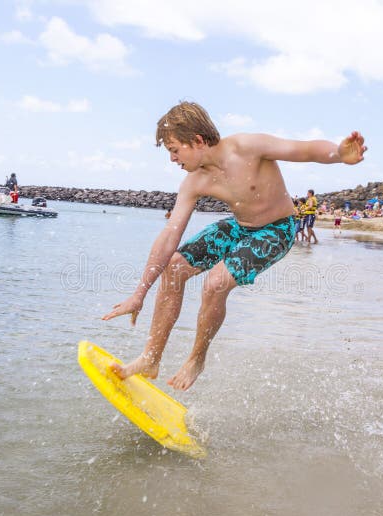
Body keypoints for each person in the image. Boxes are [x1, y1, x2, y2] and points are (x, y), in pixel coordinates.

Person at [101, 101, 366, 390]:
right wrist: (139, 294)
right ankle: (150, 358)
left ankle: (196, 359)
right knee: (175, 267)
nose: (173, 159)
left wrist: (338, 154)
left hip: (278, 229)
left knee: (216, 282)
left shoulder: (248, 147)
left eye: (174, 150)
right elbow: (169, 236)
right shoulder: (194, 181)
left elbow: (304, 150)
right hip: (241, 226)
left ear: (197, 141)